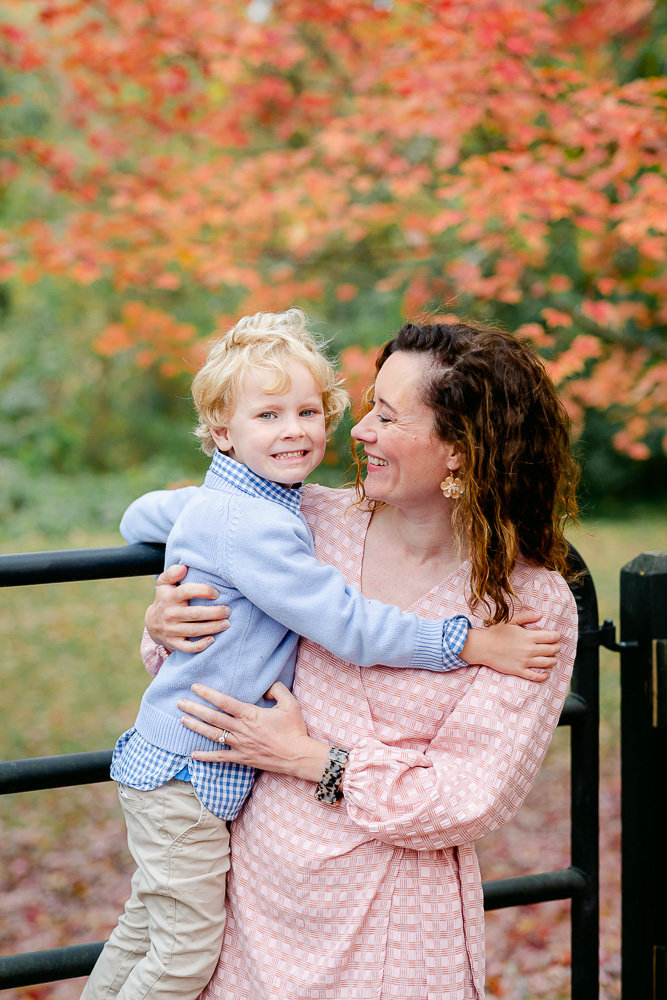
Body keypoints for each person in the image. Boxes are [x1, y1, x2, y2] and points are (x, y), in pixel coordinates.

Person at [83, 311, 559, 1000]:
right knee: (167, 946)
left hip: (385, 922)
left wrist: (315, 762)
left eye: (385, 416)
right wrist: (163, 620)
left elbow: (470, 797)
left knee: (152, 937)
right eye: (366, 409)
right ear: (223, 432)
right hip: (245, 880)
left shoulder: (530, 603)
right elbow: (288, 630)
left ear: (460, 447)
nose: (354, 430)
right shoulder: (307, 517)